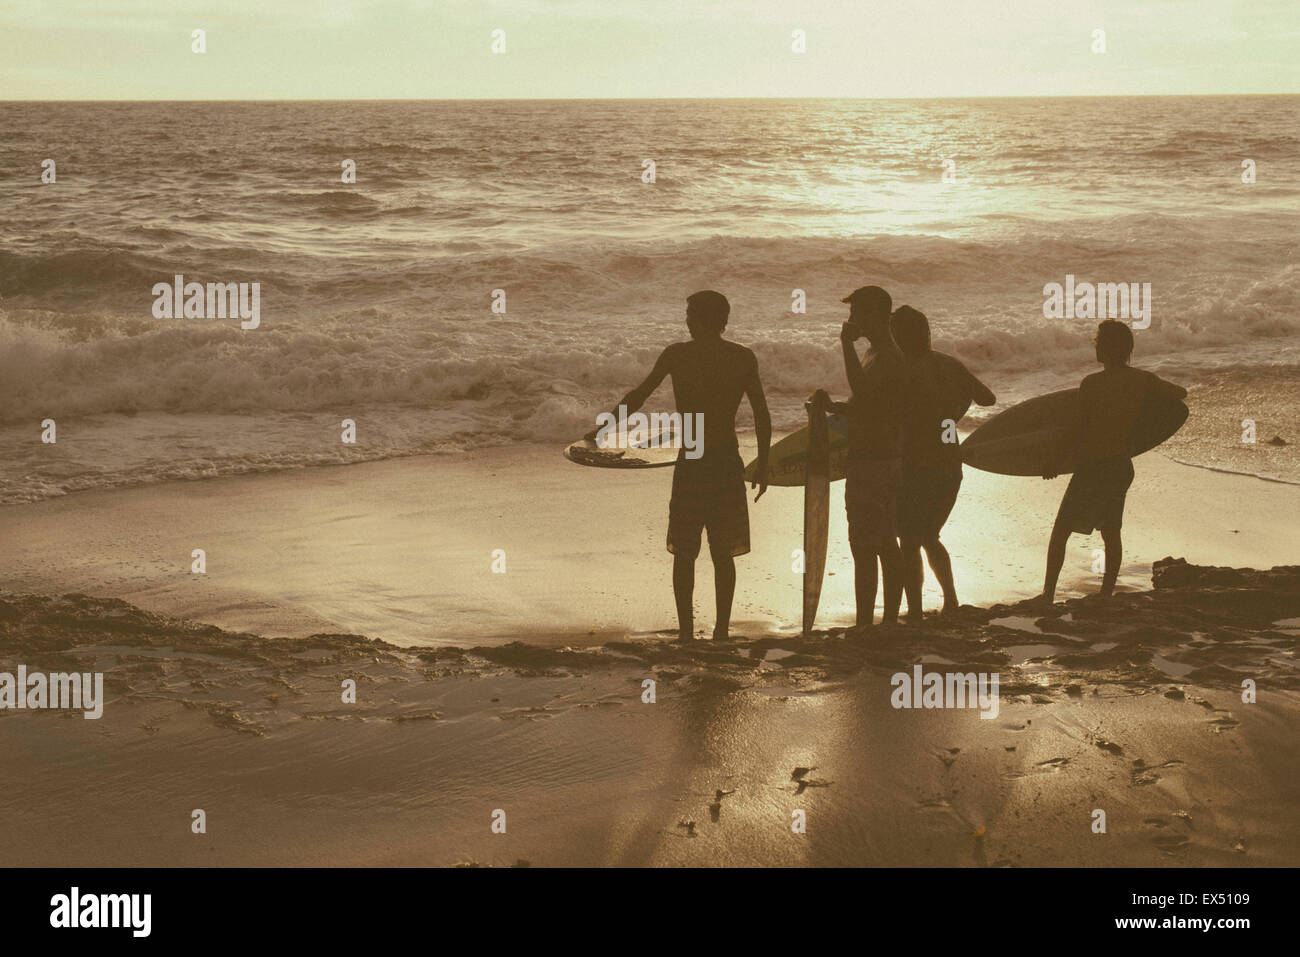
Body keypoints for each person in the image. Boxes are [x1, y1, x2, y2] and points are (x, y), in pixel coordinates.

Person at [588, 291, 770, 641]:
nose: (686, 319)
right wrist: (762, 460)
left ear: (701, 319)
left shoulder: (678, 355)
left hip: (693, 460)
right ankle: (720, 632)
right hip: (726, 461)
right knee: (723, 553)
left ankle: (686, 634)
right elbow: (761, 412)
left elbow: (638, 396)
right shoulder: (742, 357)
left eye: (690, 314)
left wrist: (604, 428)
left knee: (685, 551)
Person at [1039, 319, 1187, 603]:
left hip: (1093, 467)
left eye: (1097, 343)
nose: (1095, 347)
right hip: (1120, 464)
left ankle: (1047, 595)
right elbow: (1180, 395)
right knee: (1111, 531)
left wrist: (1053, 462)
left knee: (1061, 531)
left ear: (1102, 350)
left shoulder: (1092, 384)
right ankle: (1106, 593)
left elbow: (1078, 429)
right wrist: (1145, 417)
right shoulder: (1143, 380)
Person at [890, 305, 995, 619]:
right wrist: (954, 409)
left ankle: (916, 610)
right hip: (949, 462)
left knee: (910, 539)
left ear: (903, 335)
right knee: (927, 536)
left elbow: (880, 413)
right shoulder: (949, 364)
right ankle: (949, 601)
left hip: (913, 463)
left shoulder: (900, 369)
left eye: (895, 333)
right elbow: (987, 397)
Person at [810, 285, 904, 632]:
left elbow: (863, 392)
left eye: (857, 313)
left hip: (874, 461)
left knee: (866, 545)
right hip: (879, 457)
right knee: (881, 541)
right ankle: (885, 619)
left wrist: (845, 345)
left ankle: (871, 622)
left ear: (876, 316)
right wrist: (834, 406)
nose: (851, 320)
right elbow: (866, 404)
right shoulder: (877, 354)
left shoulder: (886, 356)